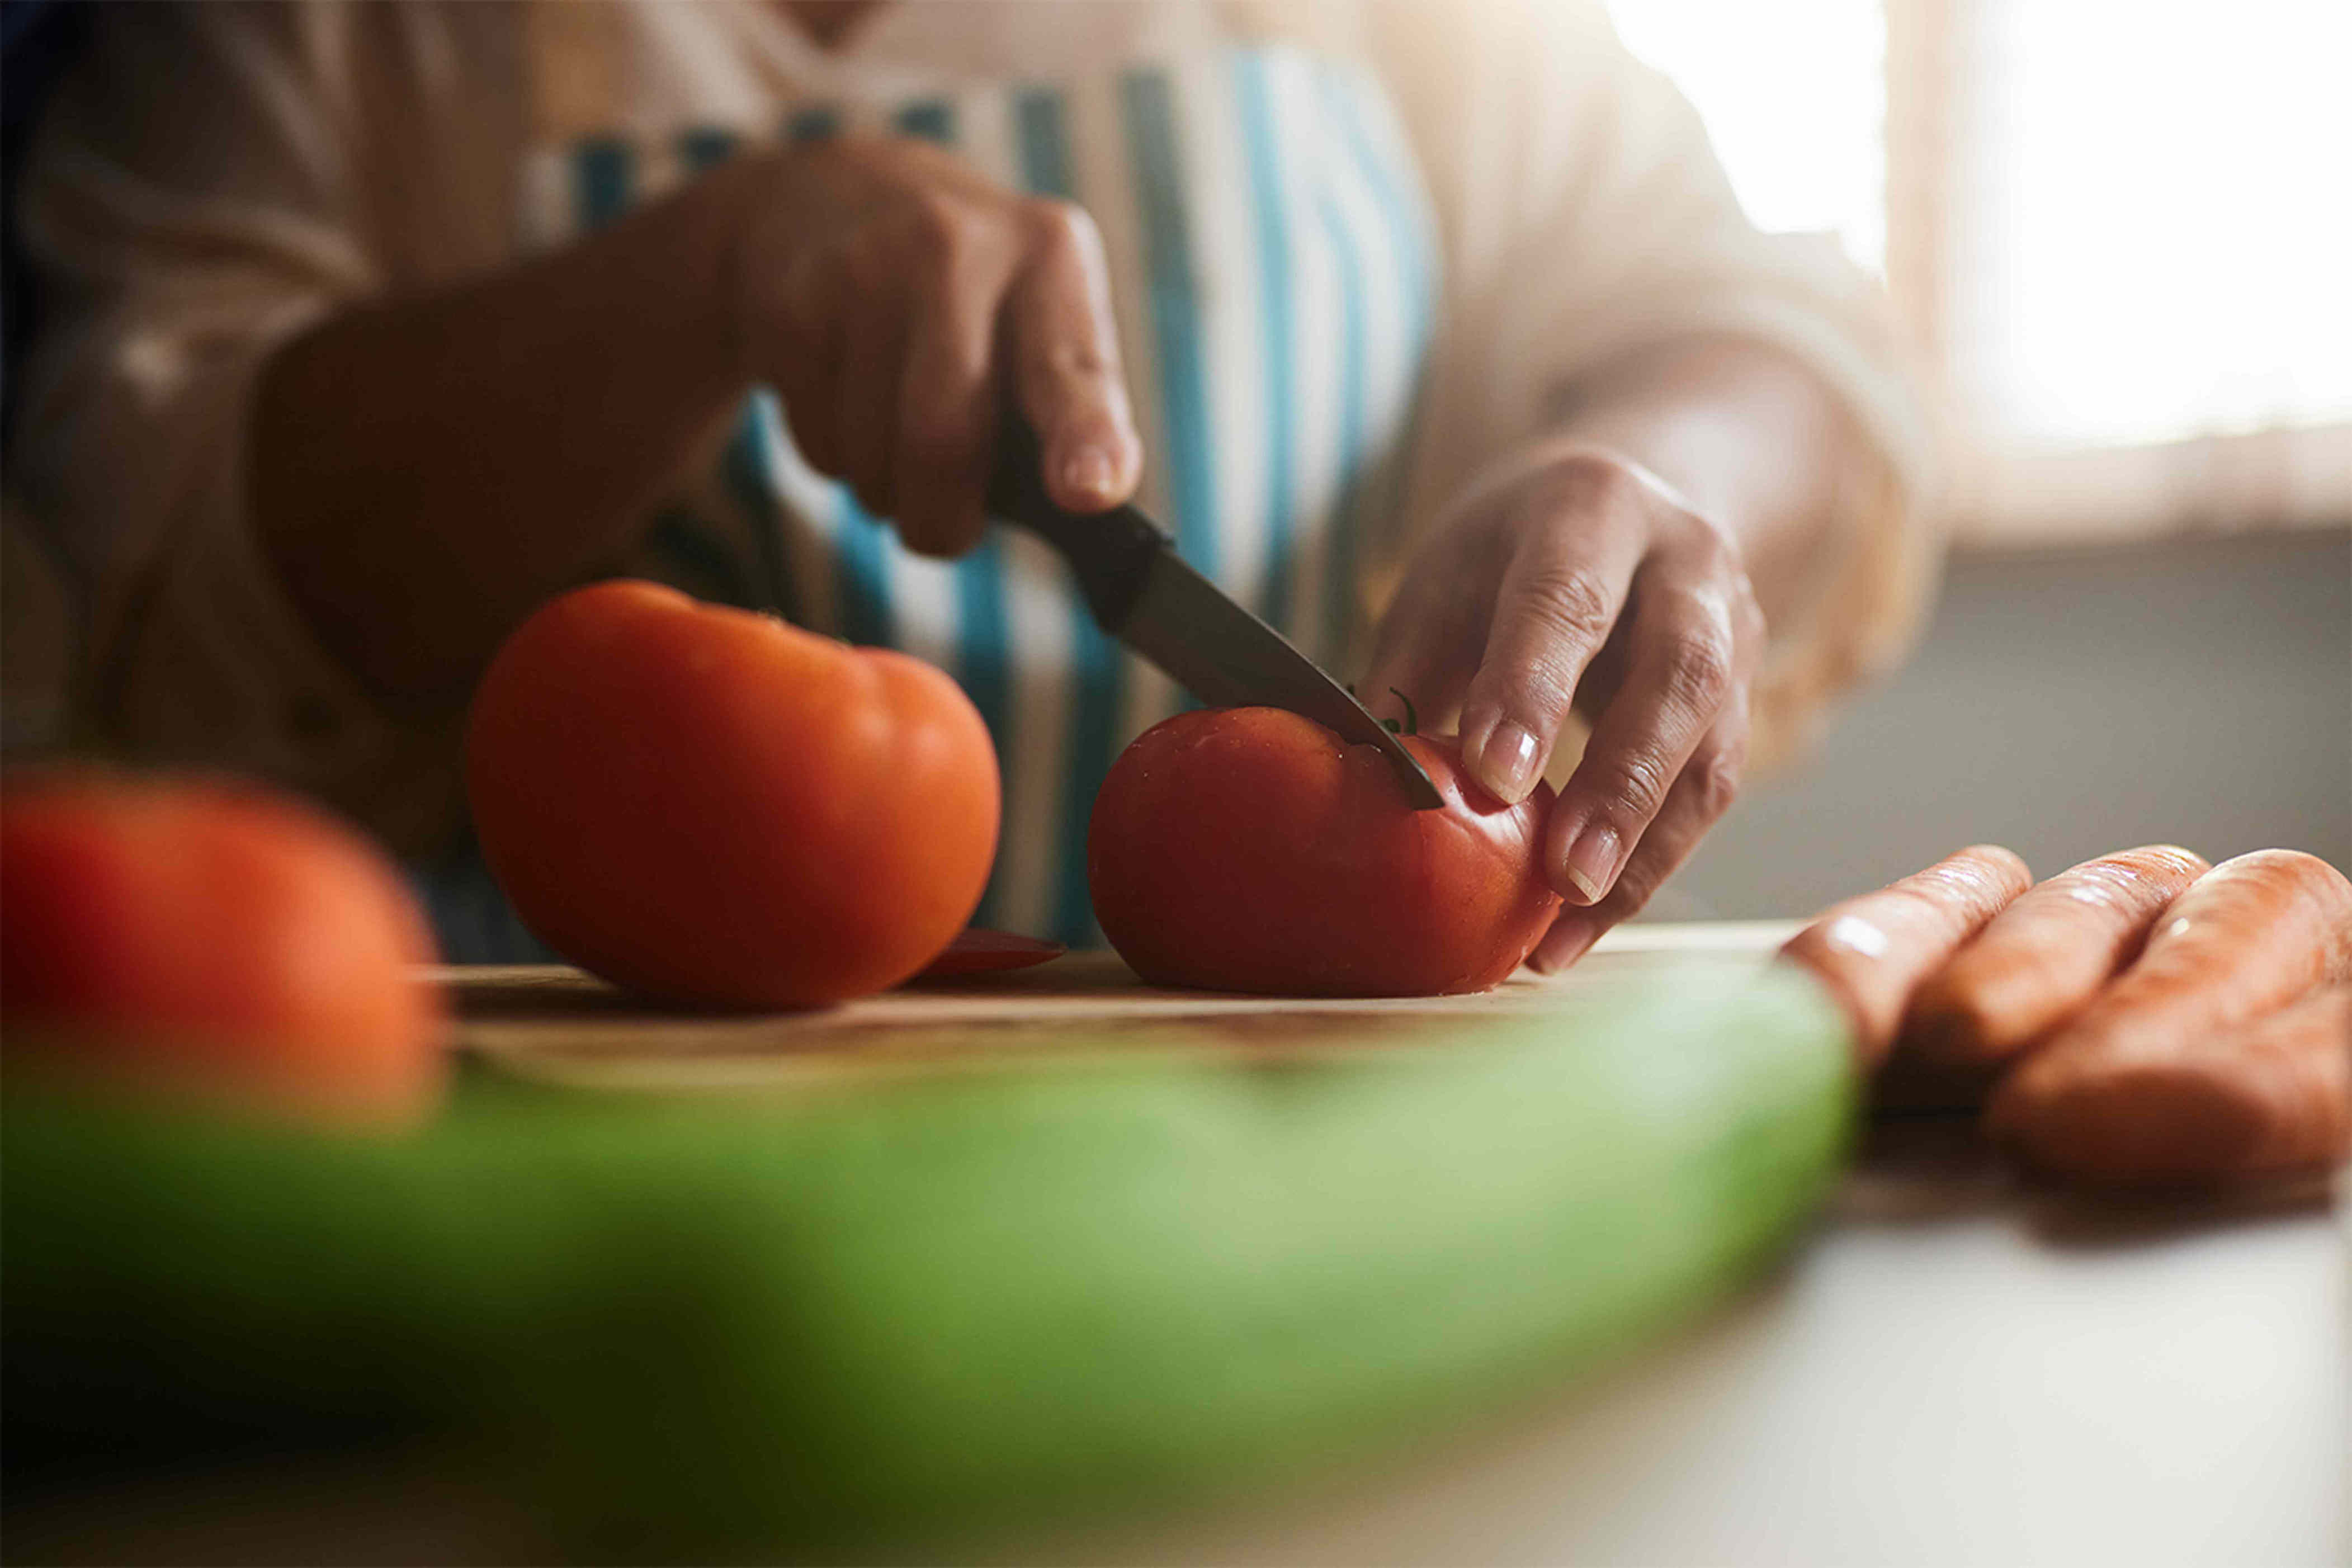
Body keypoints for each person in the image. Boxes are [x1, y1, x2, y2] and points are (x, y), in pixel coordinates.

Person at [7, 0, 1933, 964]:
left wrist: (1655, 471)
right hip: (598, 1185)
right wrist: (699, 271)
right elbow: (149, 534)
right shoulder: (306, 37)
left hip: (1331, 1151)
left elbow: (1749, 313)